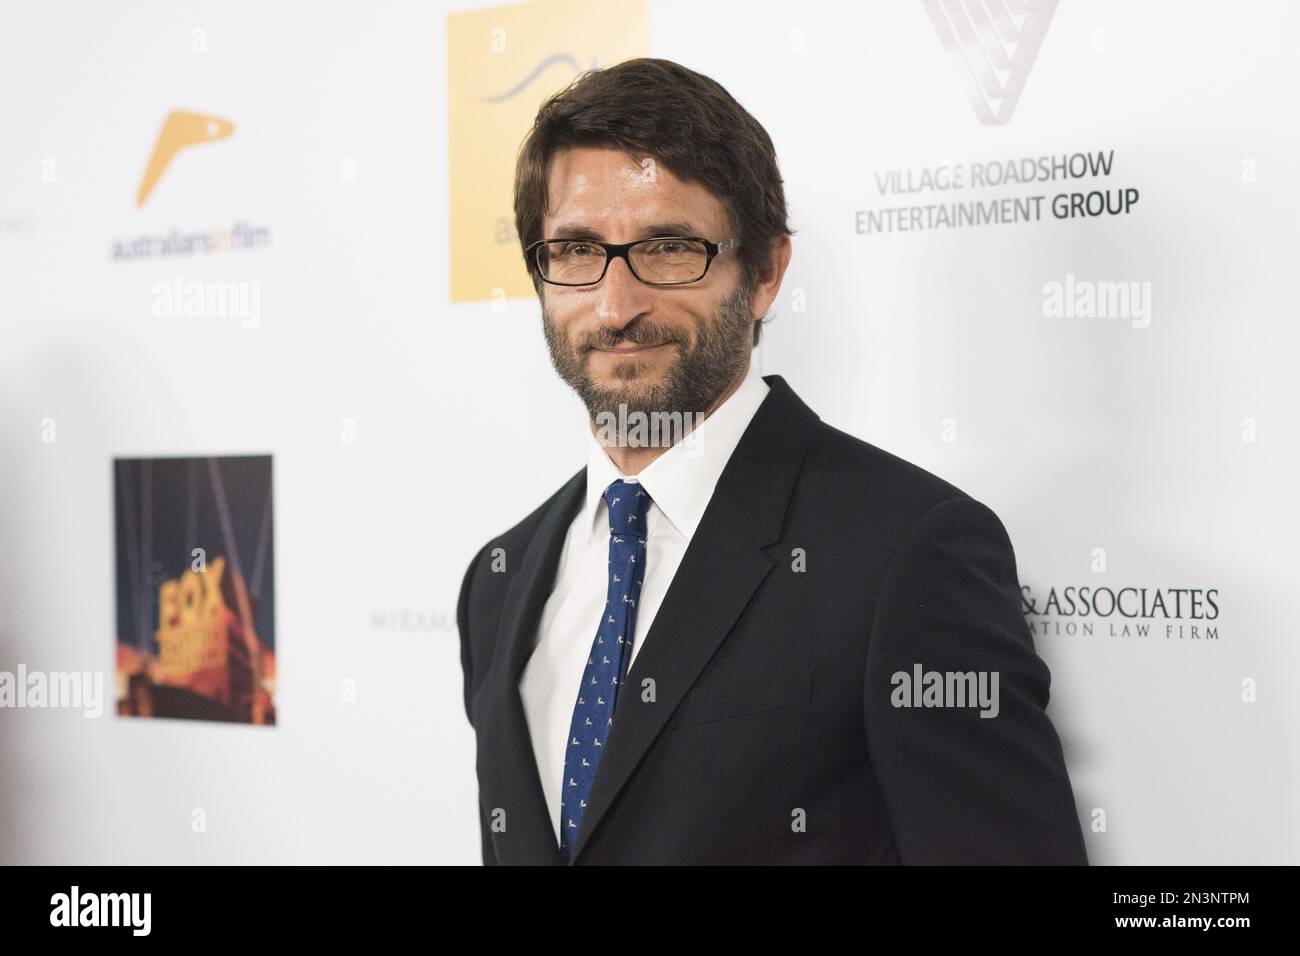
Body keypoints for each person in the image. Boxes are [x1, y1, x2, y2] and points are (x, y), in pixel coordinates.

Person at [458, 57, 1087, 865]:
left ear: (763, 273)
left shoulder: (907, 553)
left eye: (669, 247)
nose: (615, 306)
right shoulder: (499, 581)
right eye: (577, 251)